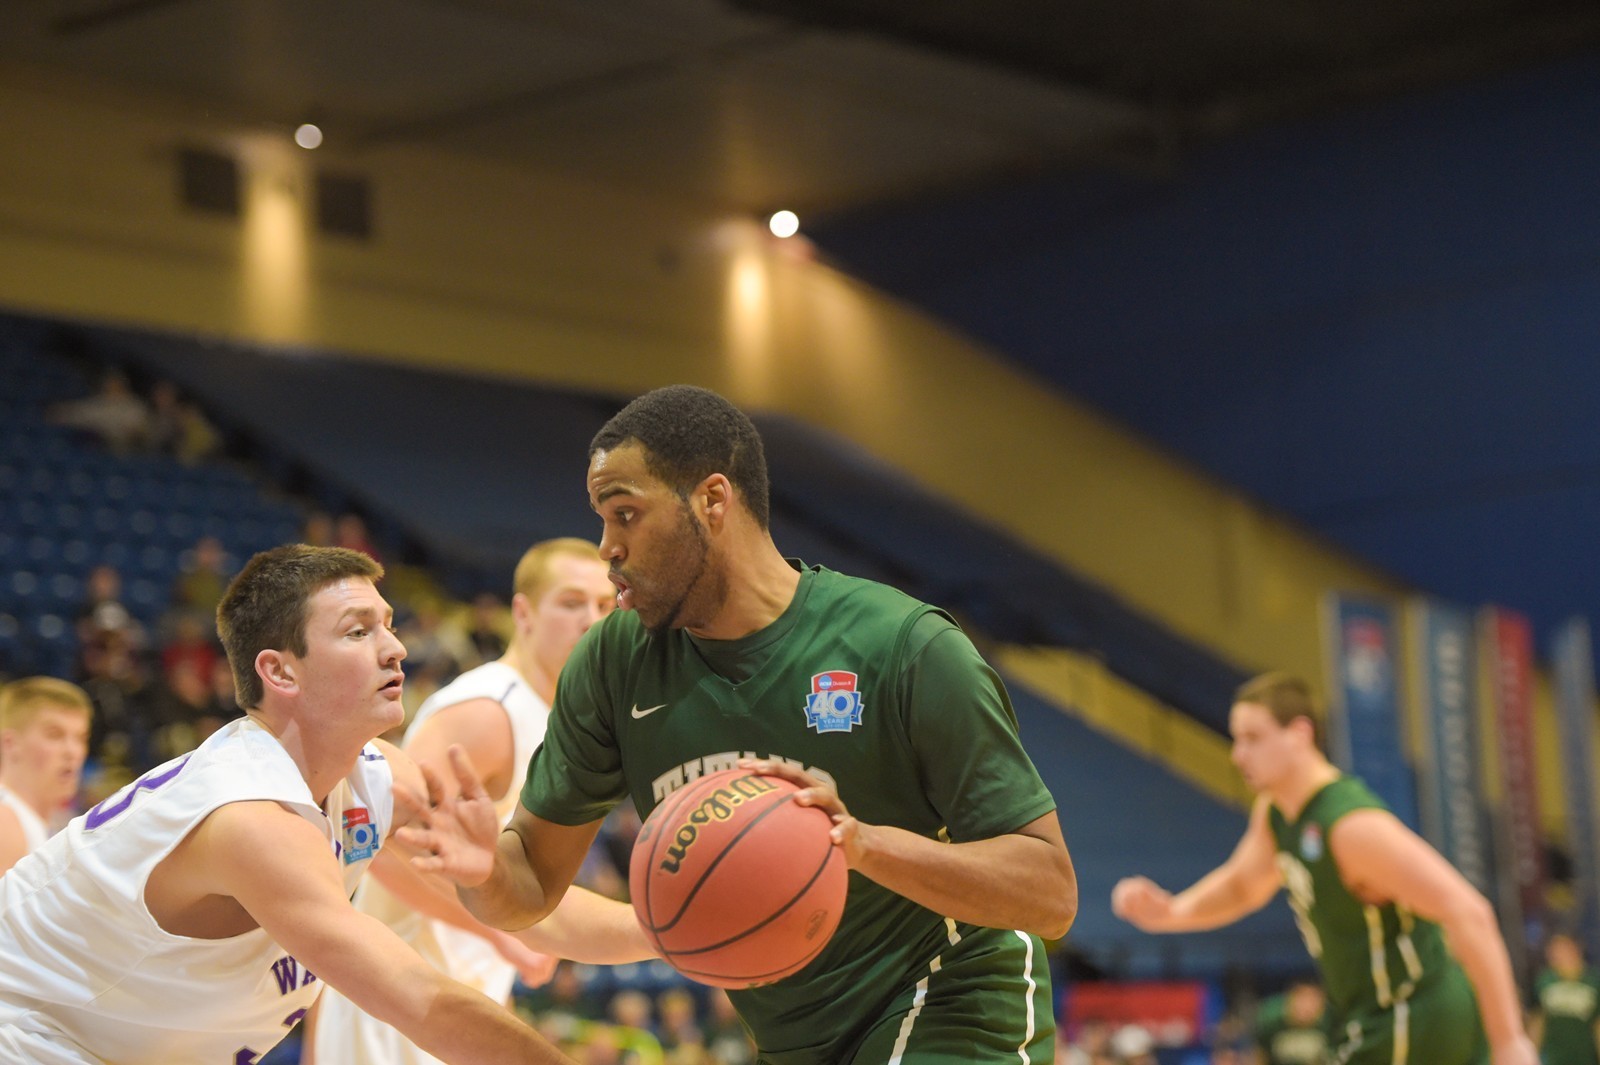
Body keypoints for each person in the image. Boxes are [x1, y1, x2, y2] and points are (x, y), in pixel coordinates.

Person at [403, 384, 1078, 1064]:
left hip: (951, 1002)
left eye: (626, 513)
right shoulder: (613, 662)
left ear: (713, 500)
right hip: (792, 1037)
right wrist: (484, 869)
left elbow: (1050, 893)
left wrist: (863, 844)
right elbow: (528, 887)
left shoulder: (903, 645)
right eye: (602, 518)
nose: (606, 546)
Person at [0, 544, 579, 1065]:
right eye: (359, 632)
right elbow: (421, 1001)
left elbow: (532, 896)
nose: (396, 648)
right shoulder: (253, 818)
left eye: (389, 625)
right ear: (279, 671)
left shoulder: (383, 779)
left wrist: (652, 936)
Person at [313, 538, 656, 1065]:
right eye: (571, 603)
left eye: (604, 606)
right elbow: (382, 842)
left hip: (455, 993)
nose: (591, 620)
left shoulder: (554, 714)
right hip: (397, 997)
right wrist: (500, 937)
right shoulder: (487, 710)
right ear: (523, 613)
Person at [1111, 673, 1536, 1065]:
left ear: (1299, 734)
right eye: (1236, 739)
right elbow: (1243, 887)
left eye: (1253, 738)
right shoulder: (1276, 813)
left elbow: (1469, 910)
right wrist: (1171, 911)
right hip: (1364, 1013)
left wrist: (1510, 1041)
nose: (1239, 754)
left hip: (1410, 1009)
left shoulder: (1351, 826)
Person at [0, 677, 93, 875]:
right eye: (55, 735)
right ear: (10, 743)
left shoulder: (30, 822)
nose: (73, 751)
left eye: (80, 738)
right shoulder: (6, 822)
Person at [1530, 933, 1600, 1065]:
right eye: (1552, 949)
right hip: (1553, 1059)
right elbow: (1537, 1022)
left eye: (1560, 948)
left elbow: (1598, 1026)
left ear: (1575, 948)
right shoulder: (1544, 981)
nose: (1554, 953)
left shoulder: (1593, 982)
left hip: (1585, 1058)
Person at [1251, 980, 1329, 1065]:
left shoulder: (1328, 1026)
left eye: (1312, 1001)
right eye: (1301, 999)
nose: (1307, 1007)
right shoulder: (1272, 1025)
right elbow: (1261, 1055)